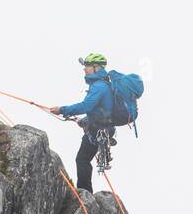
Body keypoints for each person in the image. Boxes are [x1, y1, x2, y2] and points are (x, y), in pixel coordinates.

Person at [47, 52, 134, 193]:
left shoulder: (99, 86)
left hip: (98, 130)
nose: (84, 69)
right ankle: (84, 192)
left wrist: (62, 109)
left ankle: (84, 193)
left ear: (96, 68)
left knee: (82, 160)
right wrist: (86, 120)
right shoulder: (104, 84)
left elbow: (86, 106)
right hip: (102, 128)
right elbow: (100, 109)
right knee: (83, 159)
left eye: (87, 66)